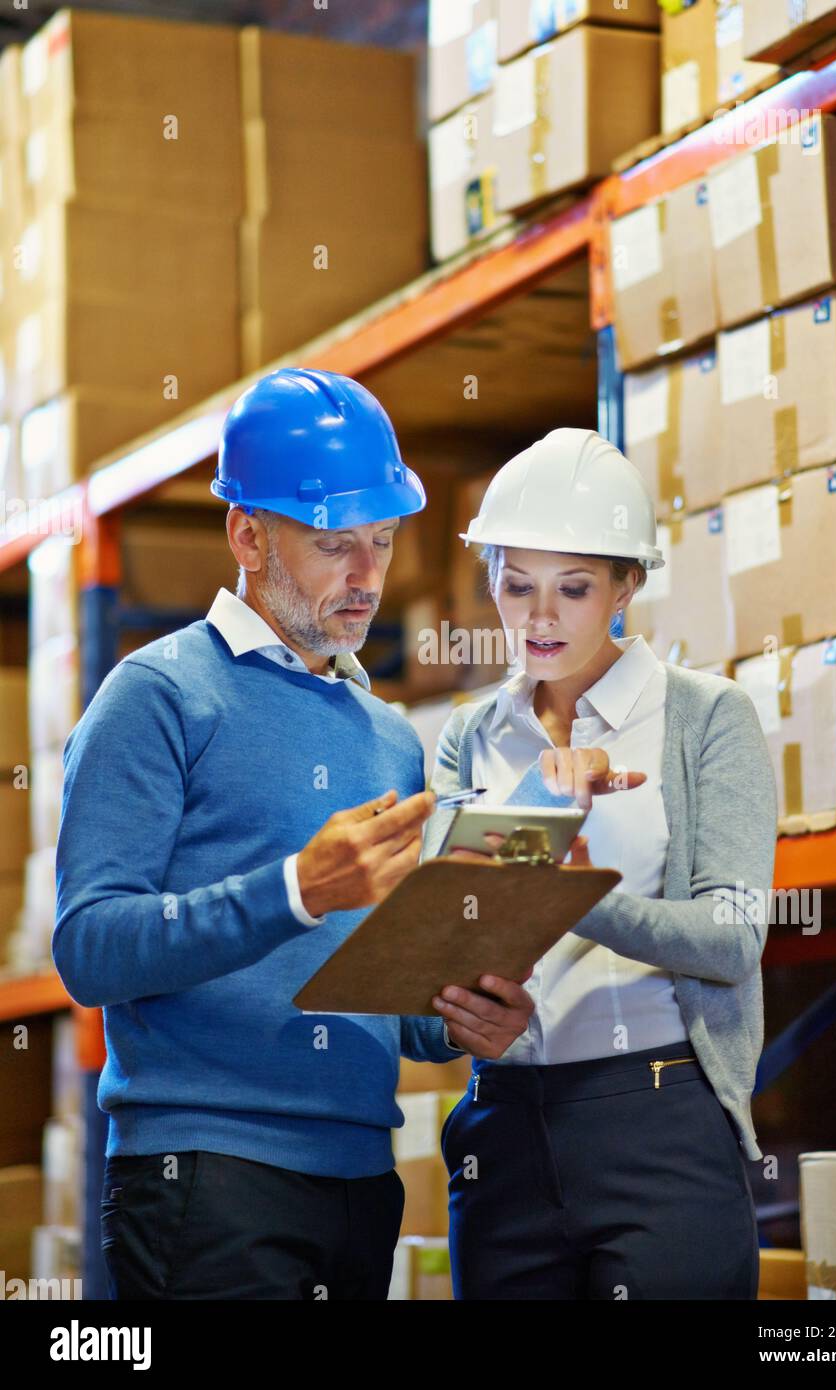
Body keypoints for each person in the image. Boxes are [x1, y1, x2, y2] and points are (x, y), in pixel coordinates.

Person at [53, 368, 533, 1301]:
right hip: (207, 1177)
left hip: (359, 1182)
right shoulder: (158, 697)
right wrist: (295, 891)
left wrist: (458, 1018)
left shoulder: (388, 736)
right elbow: (88, 949)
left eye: (383, 542)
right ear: (248, 533)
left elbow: (377, 1003)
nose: (366, 576)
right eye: (332, 545)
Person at [424, 427, 778, 1301]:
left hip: (659, 1120)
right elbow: (450, 928)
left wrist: (571, 894)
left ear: (628, 584)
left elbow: (732, 940)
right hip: (501, 1130)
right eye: (516, 585)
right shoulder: (470, 736)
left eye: (573, 588)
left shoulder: (705, 719)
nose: (539, 618)